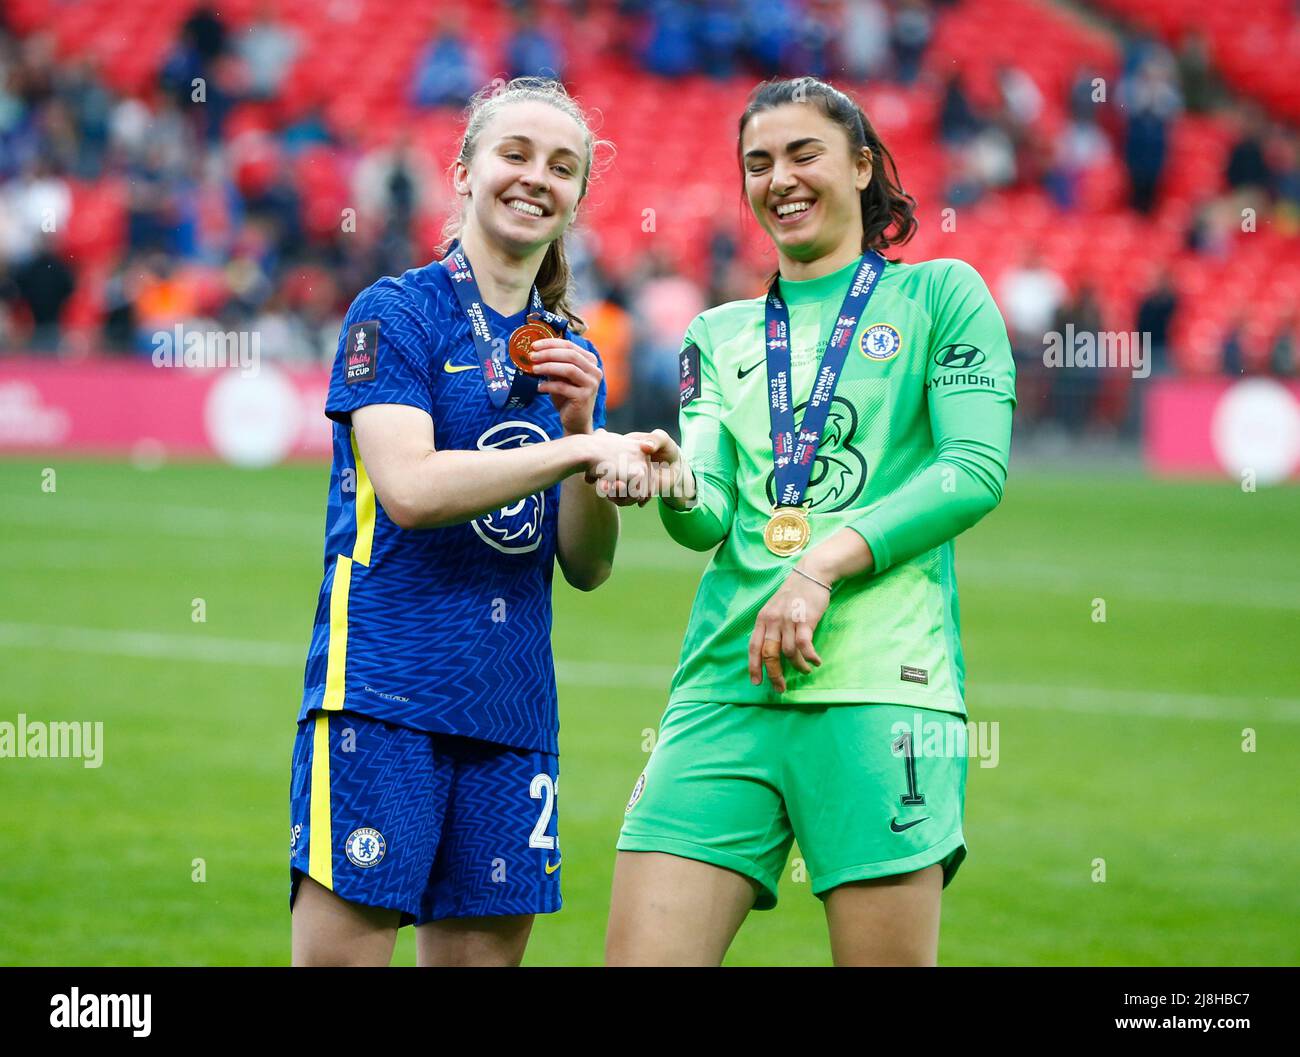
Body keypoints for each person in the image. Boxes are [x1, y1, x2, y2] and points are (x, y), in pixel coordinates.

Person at [601, 77, 1016, 966]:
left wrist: (819, 565)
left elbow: (972, 471)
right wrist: (672, 478)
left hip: (880, 690)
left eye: (802, 154)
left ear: (862, 166)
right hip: (724, 685)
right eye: (757, 163)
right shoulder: (718, 332)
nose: (778, 178)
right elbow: (708, 517)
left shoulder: (943, 295)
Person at [289, 77, 647, 967]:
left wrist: (583, 434)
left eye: (563, 167)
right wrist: (578, 452)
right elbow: (409, 487)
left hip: (511, 710)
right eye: (515, 155)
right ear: (463, 171)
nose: (536, 179)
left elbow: (587, 563)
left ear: (577, 199)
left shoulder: (573, 350)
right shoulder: (393, 313)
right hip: (380, 696)